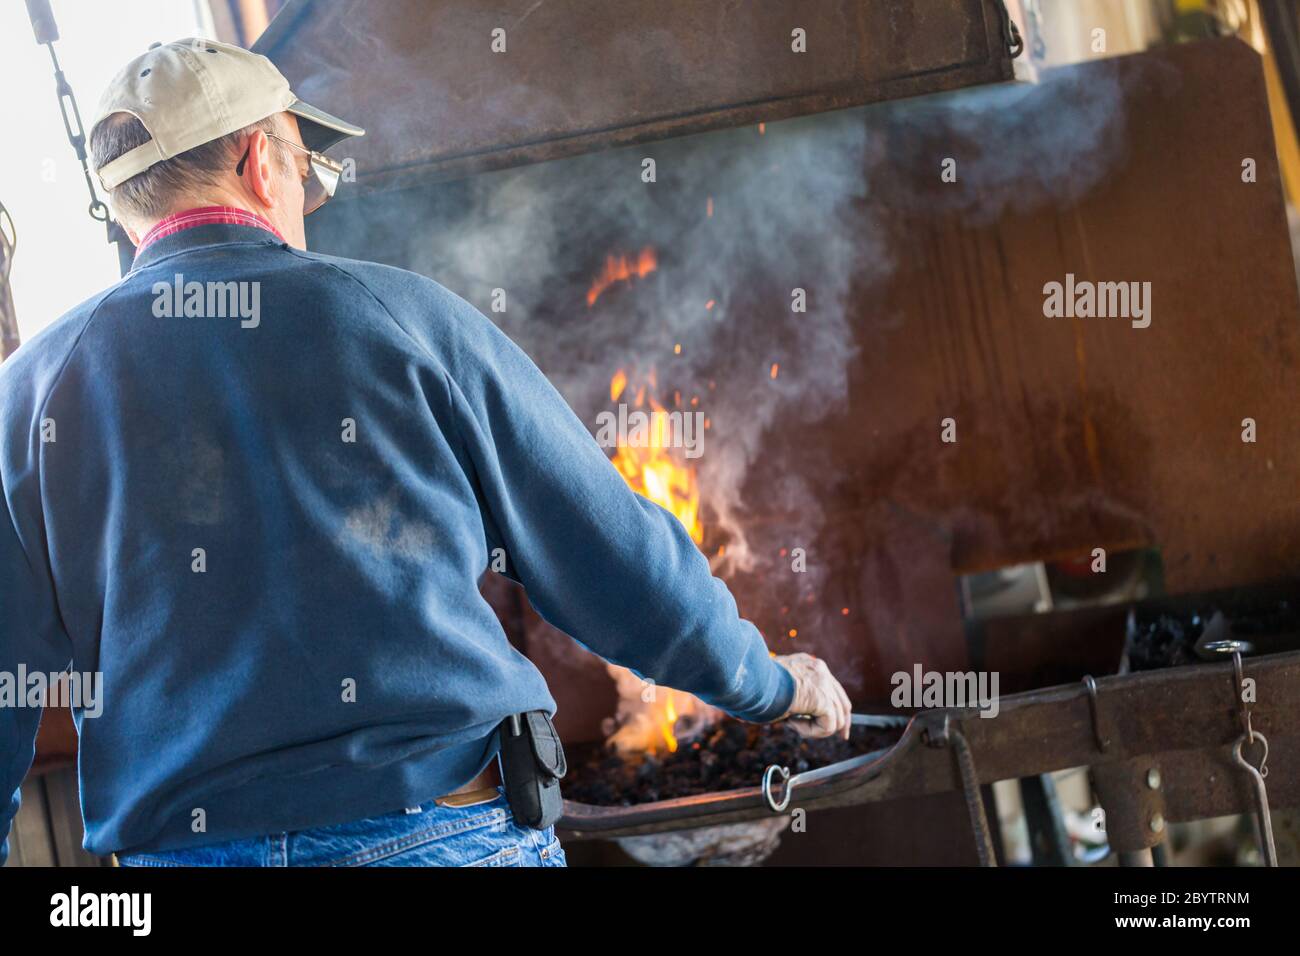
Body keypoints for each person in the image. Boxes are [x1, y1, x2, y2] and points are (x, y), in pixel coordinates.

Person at [0, 38, 851, 868]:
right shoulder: (399, 316)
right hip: (441, 837)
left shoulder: (30, 392)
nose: (307, 195)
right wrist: (767, 683)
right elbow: (608, 552)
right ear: (262, 162)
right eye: (307, 171)